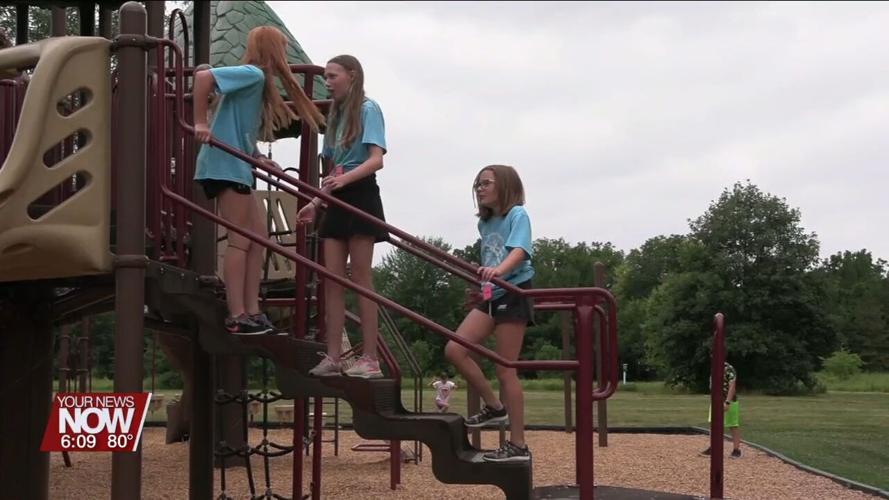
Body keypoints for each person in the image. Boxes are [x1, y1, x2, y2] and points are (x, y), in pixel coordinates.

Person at [192, 26, 325, 335]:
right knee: (241, 240)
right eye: (282, 47)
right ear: (272, 50)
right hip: (223, 166)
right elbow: (203, 78)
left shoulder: (255, 82)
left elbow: (236, 127)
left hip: (237, 164)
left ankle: (252, 310)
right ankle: (236, 314)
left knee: (260, 237)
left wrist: (257, 156)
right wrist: (199, 122)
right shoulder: (252, 73)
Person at [299, 55, 388, 379]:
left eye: (332, 76)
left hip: (361, 193)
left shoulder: (368, 109)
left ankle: (370, 358)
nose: (328, 82)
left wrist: (343, 182)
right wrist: (316, 202)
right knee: (332, 280)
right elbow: (332, 171)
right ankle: (334, 356)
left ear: (352, 75)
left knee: (361, 278)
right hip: (335, 197)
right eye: (325, 77)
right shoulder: (334, 116)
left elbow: (375, 160)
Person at [443, 164, 534, 463]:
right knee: (455, 349)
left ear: (504, 186)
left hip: (514, 291)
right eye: (477, 185)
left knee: (505, 370)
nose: (479, 189)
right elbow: (488, 260)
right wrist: (482, 289)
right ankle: (495, 407)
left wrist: (498, 273)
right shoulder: (485, 224)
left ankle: (518, 444)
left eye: (486, 183)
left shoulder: (517, 215)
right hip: (492, 295)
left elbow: (518, 251)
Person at [702, 361, 742, 458]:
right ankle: (713, 447)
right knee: (713, 424)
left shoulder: (729, 369)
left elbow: (732, 386)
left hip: (729, 400)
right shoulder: (714, 368)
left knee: (733, 425)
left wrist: (727, 402)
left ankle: (736, 450)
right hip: (716, 401)